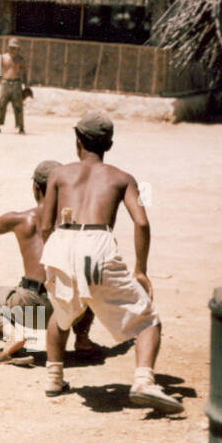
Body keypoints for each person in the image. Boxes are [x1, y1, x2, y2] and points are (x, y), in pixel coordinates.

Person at [39, 112, 182, 413]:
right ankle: (143, 380)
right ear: (110, 145)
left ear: (77, 142)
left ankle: (54, 378)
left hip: (62, 241)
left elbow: (44, 224)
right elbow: (141, 223)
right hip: (97, 243)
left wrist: (57, 254)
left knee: (62, 311)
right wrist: (140, 269)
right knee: (147, 319)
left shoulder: (59, 174)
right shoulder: (122, 177)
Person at [0, 161, 95, 366]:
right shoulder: (76, 221)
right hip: (70, 311)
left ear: (35, 188)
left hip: (32, 309)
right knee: (88, 283)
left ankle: (13, 337)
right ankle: (83, 340)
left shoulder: (22, 219)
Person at [0, 37, 28, 134]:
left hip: (17, 84)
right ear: (8, 47)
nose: (12, 49)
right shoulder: (3, 57)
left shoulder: (20, 59)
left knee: (18, 106)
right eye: (11, 47)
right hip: (6, 83)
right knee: (1, 105)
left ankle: (21, 127)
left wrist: (26, 85)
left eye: (14, 47)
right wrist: (0, 81)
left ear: (18, 48)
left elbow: (24, 73)